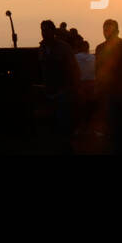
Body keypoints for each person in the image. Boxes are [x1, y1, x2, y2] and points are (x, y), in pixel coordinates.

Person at [38, 20, 80, 152]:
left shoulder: (64, 48)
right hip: (50, 90)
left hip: (64, 91)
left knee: (64, 127)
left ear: (53, 31)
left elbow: (74, 69)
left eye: (46, 30)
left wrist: (72, 88)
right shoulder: (42, 48)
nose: (44, 33)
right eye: (42, 30)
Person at [95, 19, 122, 153]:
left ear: (116, 31)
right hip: (111, 90)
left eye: (108, 29)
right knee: (114, 123)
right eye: (105, 29)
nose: (106, 32)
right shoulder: (102, 48)